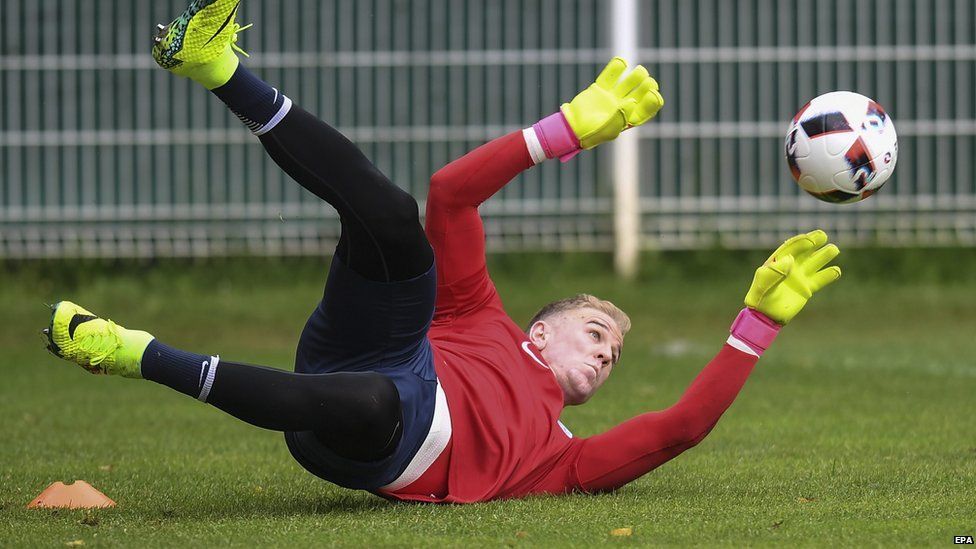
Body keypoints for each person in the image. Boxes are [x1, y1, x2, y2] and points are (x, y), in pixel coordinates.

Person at [43, 0, 842, 503]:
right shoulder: (481, 316)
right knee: (393, 218)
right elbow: (452, 192)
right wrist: (561, 131)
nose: (609, 355)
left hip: (370, 436)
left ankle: (135, 353)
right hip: (376, 350)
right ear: (540, 330)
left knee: (376, 402)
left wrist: (755, 322)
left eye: (616, 354)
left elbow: (678, 428)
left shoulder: (560, 459)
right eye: (598, 334)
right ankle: (214, 64)